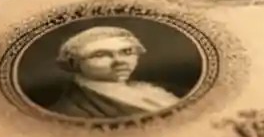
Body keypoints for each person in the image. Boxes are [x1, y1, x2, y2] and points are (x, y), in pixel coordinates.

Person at [43, 26, 180, 119]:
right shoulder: (70, 112)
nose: (119, 61)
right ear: (74, 63)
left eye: (127, 52)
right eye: (101, 55)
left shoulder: (156, 89)